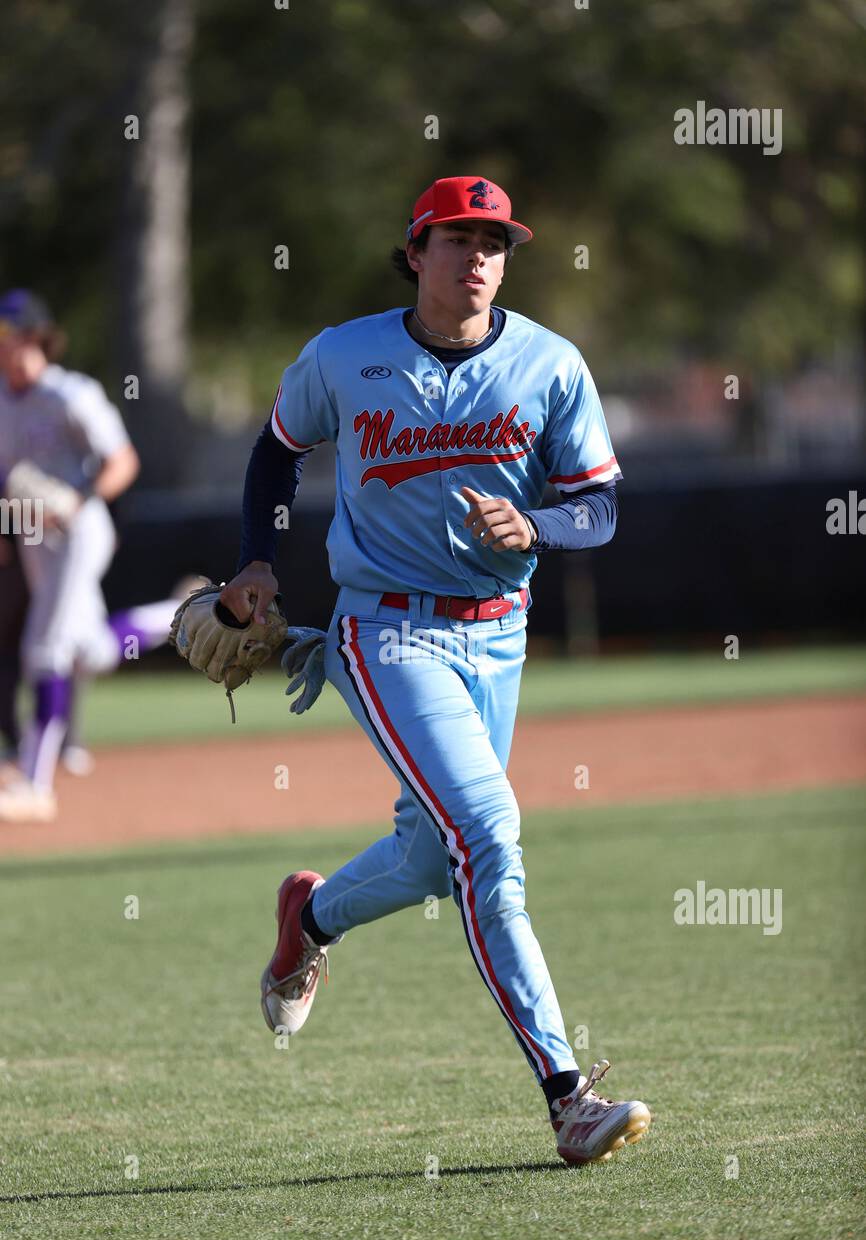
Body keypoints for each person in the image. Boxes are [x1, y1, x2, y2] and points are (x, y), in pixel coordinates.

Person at [221, 176, 651, 1166]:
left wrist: (535, 522)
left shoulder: (548, 363)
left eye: (493, 243)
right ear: (413, 253)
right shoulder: (346, 355)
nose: (476, 259)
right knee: (488, 833)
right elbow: (274, 452)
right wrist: (255, 559)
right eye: (455, 240)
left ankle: (310, 914)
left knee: (428, 859)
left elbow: (598, 508)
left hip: (499, 633)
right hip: (384, 634)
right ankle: (566, 1096)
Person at [0, 291, 188, 823]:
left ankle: (36, 784)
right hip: (35, 535)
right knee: (91, 652)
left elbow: (122, 461)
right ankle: (175, 616)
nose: (5, 346)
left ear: (35, 337)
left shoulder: (70, 394)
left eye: (10, 335)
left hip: (81, 531)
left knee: (46, 644)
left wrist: (78, 500)